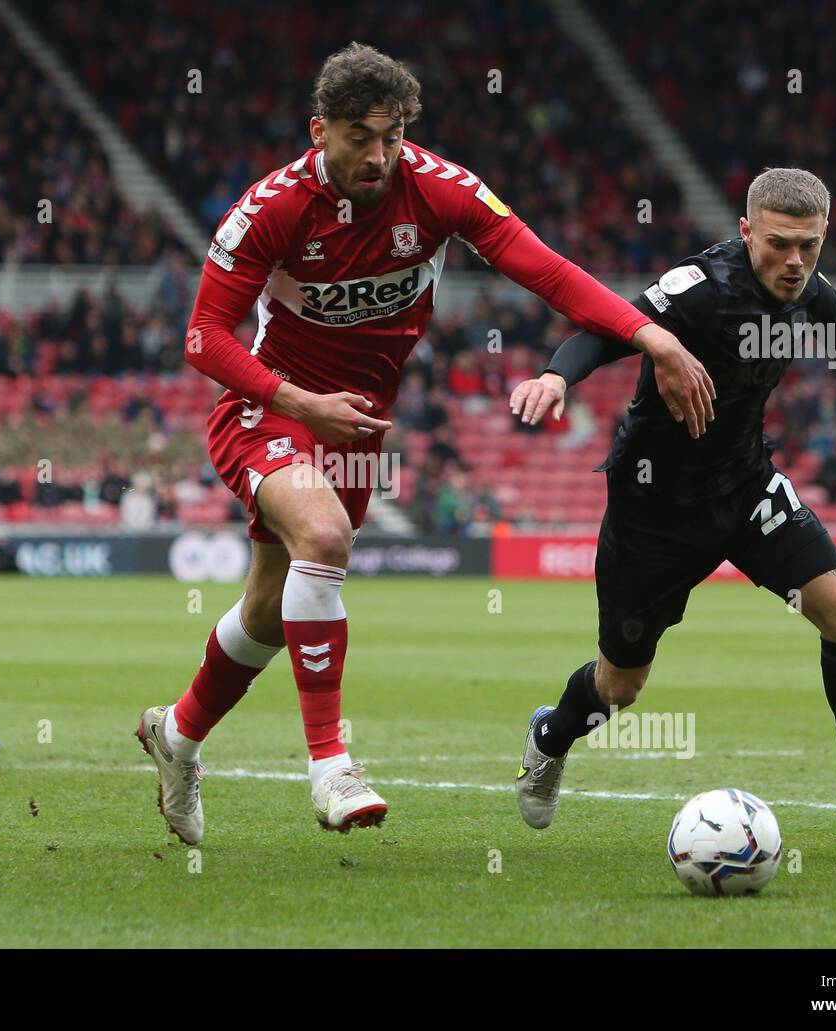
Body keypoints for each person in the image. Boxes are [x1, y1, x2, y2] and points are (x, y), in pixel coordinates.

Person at [136, 42, 711, 844]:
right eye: (360, 137)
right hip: (270, 405)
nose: (379, 155)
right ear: (319, 131)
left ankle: (177, 736)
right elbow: (202, 339)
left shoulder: (439, 190)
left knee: (270, 608)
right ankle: (332, 765)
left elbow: (546, 271)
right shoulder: (269, 208)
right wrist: (300, 400)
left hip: (360, 423)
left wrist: (650, 335)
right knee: (325, 536)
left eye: (392, 135)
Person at [508, 168, 836, 855]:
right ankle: (551, 736)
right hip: (652, 507)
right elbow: (604, 328)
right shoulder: (699, 290)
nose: (794, 261)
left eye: (808, 245)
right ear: (746, 230)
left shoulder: (815, 296)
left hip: (746, 488)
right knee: (620, 684)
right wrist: (554, 375)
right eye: (779, 243)